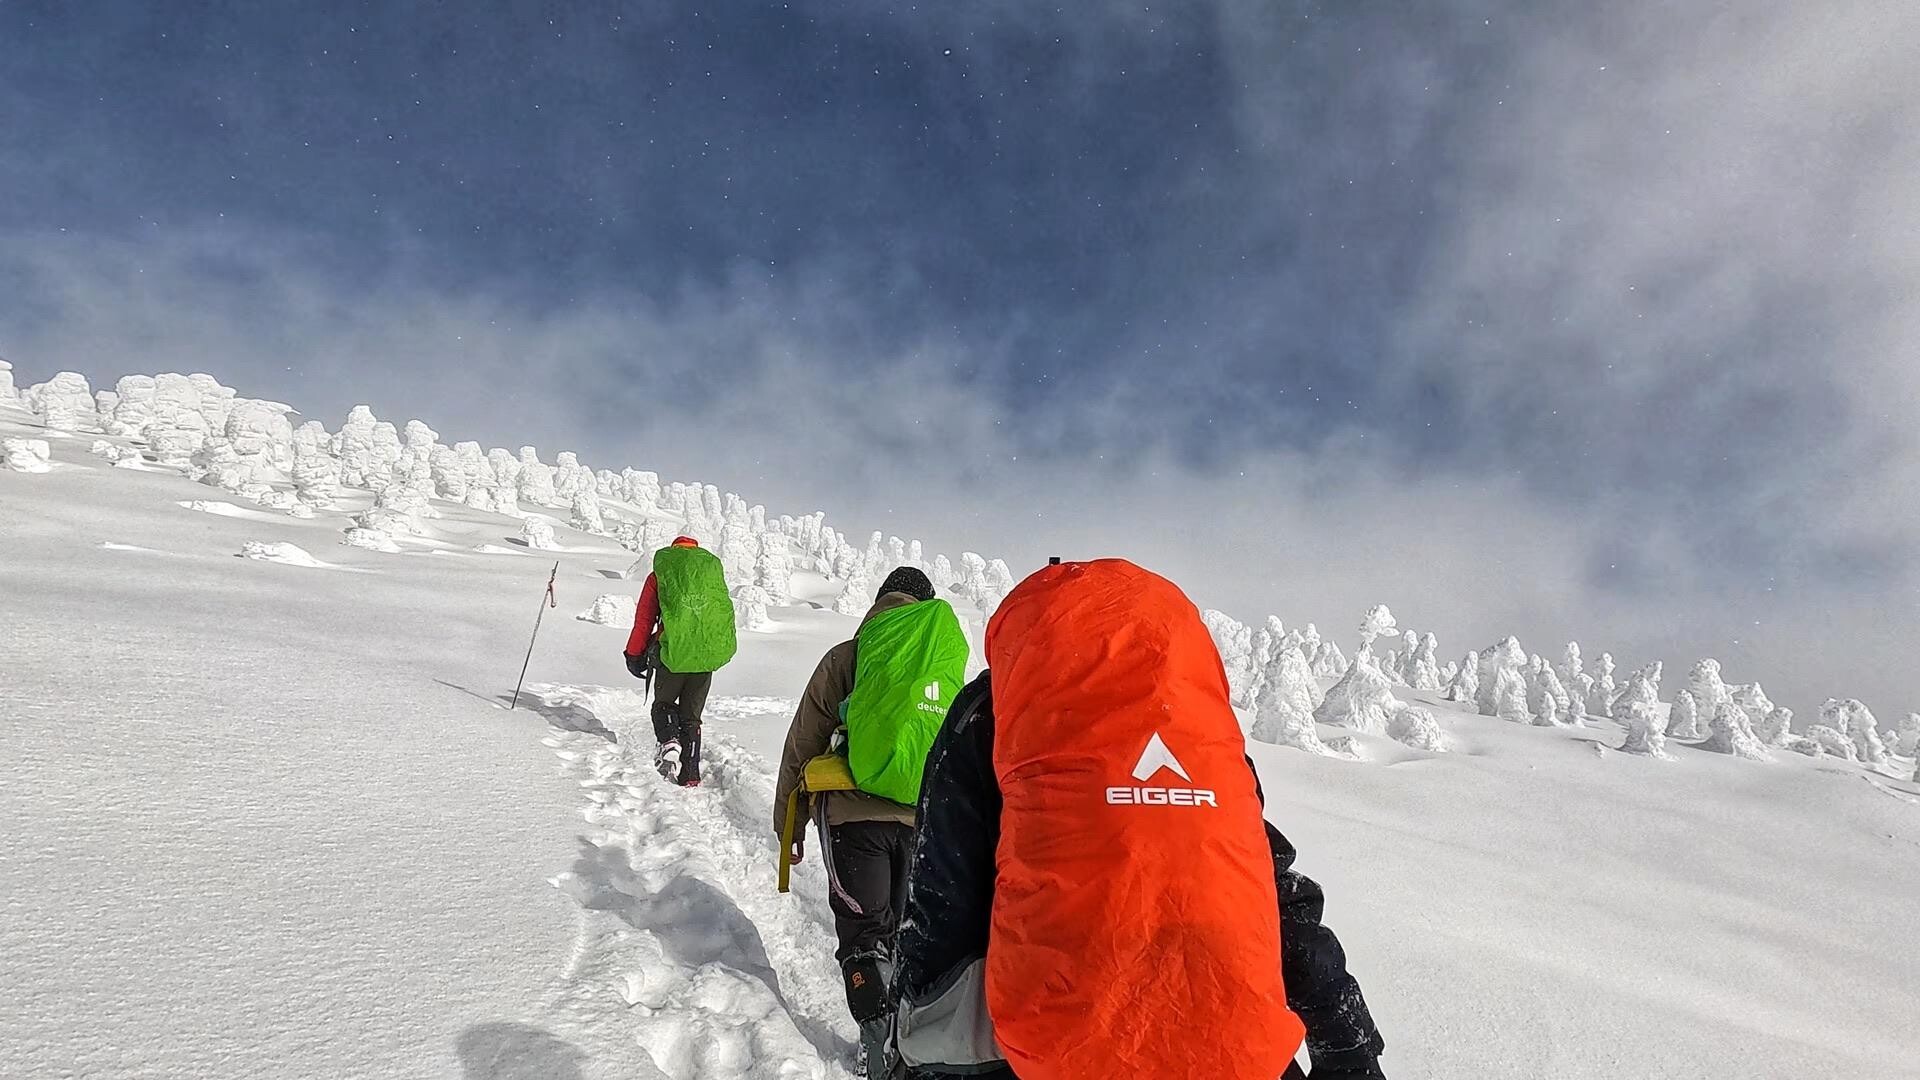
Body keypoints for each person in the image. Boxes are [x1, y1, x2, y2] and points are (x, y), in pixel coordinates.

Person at [888, 559, 1387, 1080]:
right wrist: (1346, 1039)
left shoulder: (992, 713)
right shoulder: (1196, 725)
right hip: (1232, 1046)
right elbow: (1268, 880)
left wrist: (918, 1047)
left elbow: (940, 896)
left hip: (1057, 1047)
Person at [774, 566, 966, 1077]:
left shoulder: (849, 656)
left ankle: (878, 1051)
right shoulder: (942, 666)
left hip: (852, 819)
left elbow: (803, 745)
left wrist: (787, 826)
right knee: (909, 934)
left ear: (881, 601)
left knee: (865, 935)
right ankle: (912, 1049)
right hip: (925, 824)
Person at [624, 535, 736, 786]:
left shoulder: (661, 574)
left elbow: (644, 620)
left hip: (672, 653)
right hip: (706, 656)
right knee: (692, 717)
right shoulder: (709, 576)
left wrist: (633, 654)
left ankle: (670, 741)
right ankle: (691, 774)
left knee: (663, 704)